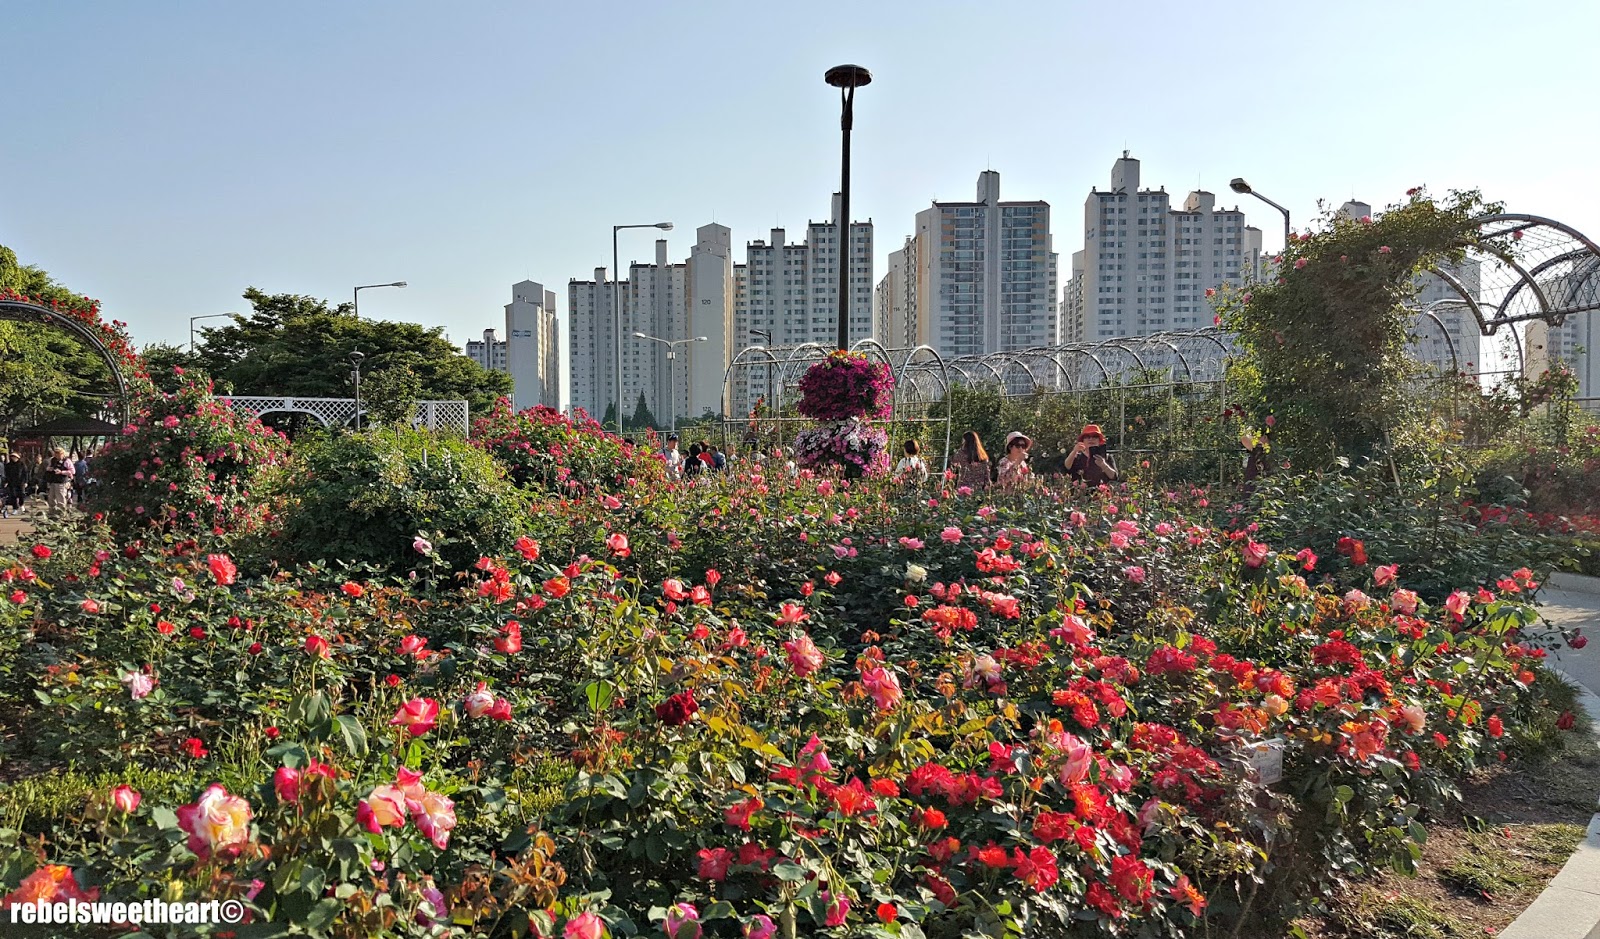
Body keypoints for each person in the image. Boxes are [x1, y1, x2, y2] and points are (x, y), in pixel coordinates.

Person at [44, 447, 75, 515]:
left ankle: (61, 513)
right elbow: (48, 467)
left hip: (62, 482)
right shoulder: (53, 460)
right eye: (56, 453)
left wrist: (61, 472)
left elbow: (73, 471)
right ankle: (52, 512)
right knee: (51, 498)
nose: (57, 455)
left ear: (62, 454)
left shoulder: (67, 461)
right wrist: (50, 469)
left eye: (58, 453)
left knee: (60, 498)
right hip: (53, 481)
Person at [3, 453, 27, 518]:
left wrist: (26, 482)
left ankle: (21, 506)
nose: (13, 458)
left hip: (21, 482)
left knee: (21, 494)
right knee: (13, 495)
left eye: (15, 457)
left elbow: (25, 474)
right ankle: (15, 508)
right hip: (12, 483)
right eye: (12, 457)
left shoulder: (22, 464)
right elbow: (7, 475)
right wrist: (6, 482)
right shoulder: (8, 465)